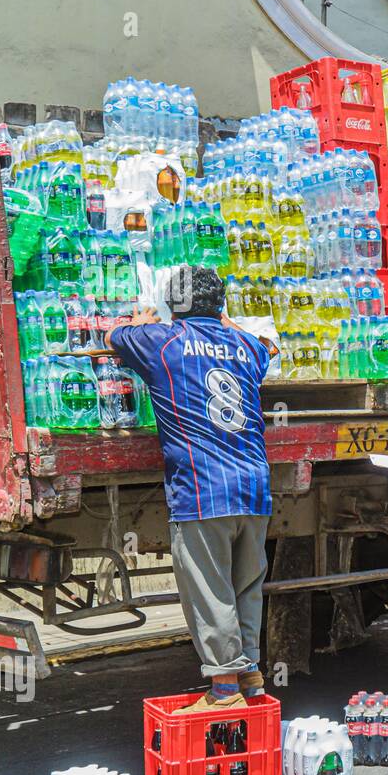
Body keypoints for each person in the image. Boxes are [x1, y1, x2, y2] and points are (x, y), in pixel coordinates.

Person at [109, 265, 274, 711]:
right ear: (220, 306)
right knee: (246, 587)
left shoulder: (162, 341)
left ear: (173, 305)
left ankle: (224, 690)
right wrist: (223, 321)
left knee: (210, 591)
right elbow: (268, 347)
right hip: (254, 488)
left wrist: (141, 321)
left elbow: (113, 338)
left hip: (203, 490)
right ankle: (252, 676)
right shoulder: (247, 346)